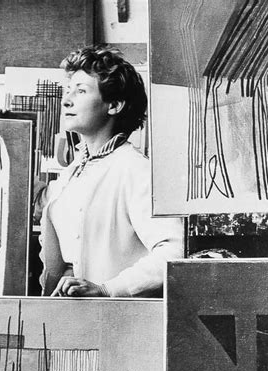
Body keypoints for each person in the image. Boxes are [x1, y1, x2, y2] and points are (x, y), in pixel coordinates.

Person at [36, 45, 183, 298]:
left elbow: (174, 253)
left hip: (119, 315)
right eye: (68, 90)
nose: (66, 100)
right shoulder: (72, 172)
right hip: (69, 312)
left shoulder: (136, 170)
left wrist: (108, 289)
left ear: (114, 105)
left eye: (81, 91)